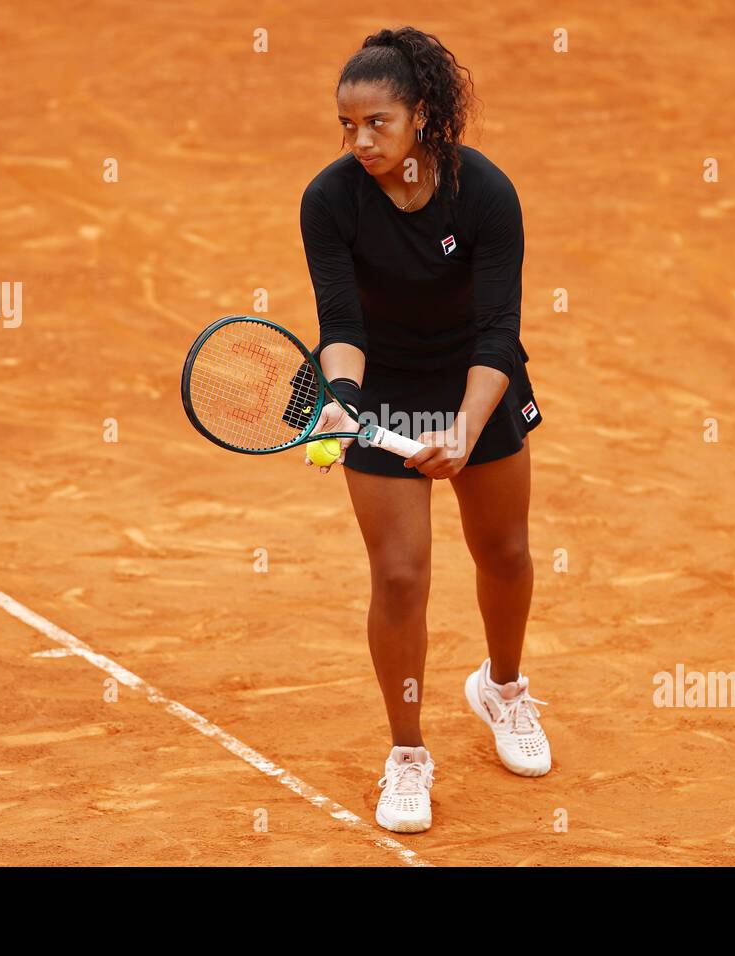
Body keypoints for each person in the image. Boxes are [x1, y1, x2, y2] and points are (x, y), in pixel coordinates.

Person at [299, 26, 550, 834]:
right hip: (377, 385)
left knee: (504, 552)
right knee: (401, 577)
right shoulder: (329, 200)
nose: (359, 140)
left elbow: (498, 333)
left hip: (475, 378)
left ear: (422, 117)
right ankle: (407, 752)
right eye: (347, 125)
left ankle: (502, 689)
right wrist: (340, 395)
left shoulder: (484, 194)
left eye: (377, 122)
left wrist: (467, 430)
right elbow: (340, 319)